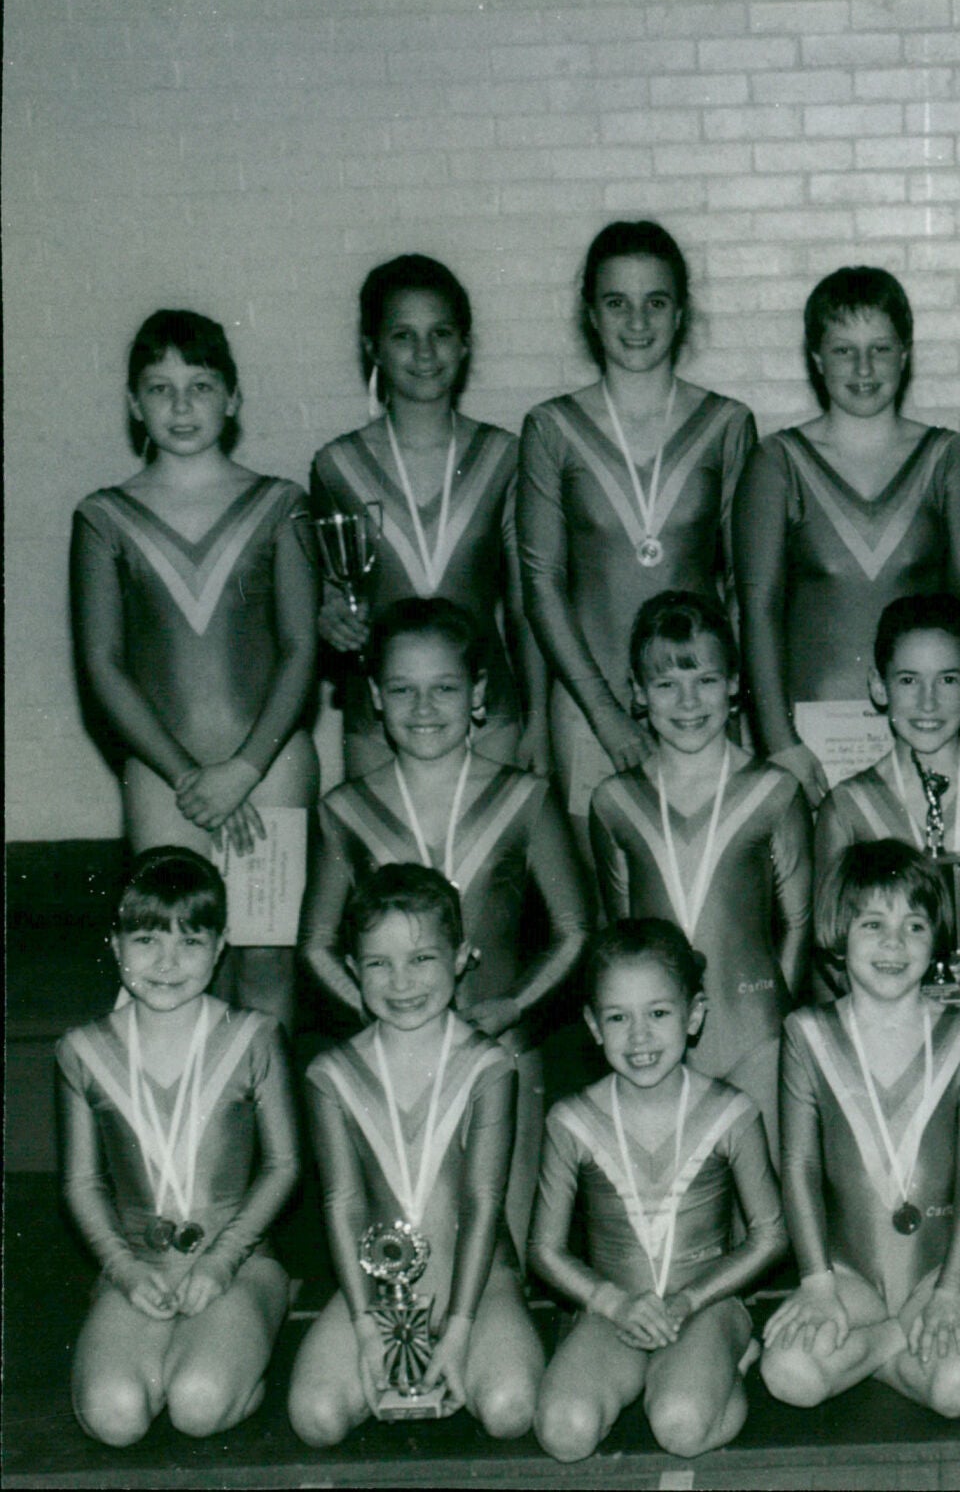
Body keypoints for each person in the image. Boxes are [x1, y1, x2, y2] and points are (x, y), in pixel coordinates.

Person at [300, 597, 590, 1252]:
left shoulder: (525, 798)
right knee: (402, 1254)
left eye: (444, 690)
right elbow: (316, 947)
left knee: (501, 1250)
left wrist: (510, 1008)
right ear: (375, 696)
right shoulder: (345, 810)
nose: (424, 709)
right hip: (390, 1062)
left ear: (478, 694)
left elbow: (575, 931)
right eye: (403, 690)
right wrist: (384, 1017)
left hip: (502, 1049)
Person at [71, 310, 319, 1026]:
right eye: (160, 388)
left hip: (267, 761)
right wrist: (185, 775)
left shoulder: (280, 504)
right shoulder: (104, 516)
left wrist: (242, 768)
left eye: (201, 385)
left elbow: (302, 649)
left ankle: (267, 1133)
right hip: (162, 772)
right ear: (132, 403)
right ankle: (188, 1132)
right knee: (176, 956)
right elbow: (103, 664)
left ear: (234, 398)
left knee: (267, 957)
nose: (181, 407)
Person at [519, 220, 758, 859]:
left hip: (696, 698)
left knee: (705, 887)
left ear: (680, 312)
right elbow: (542, 583)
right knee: (606, 916)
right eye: (616, 302)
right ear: (590, 314)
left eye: (655, 301)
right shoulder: (552, 428)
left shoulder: (726, 424)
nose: (637, 320)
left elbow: (745, 580)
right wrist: (605, 715)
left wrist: (724, 696)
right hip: (588, 706)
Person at [288, 865, 543, 1445]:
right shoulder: (331, 1072)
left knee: (509, 1409)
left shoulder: (488, 1065)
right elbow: (342, 1201)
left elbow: (483, 1204)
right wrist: (364, 1325)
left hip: (478, 1287)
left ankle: (476, 1347)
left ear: (461, 957)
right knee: (316, 1420)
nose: (401, 982)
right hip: (380, 1291)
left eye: (422, 959)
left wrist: (456, 1331)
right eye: (379, 964)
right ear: (353, 970)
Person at [60, 848, 298, 1445]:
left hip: (240, 1263)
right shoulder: (81, 1050)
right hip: (138, 1266)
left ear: (220, 949)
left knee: (197, 1406)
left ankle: (243, 1340)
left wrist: (222, 1262)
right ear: (115, 944)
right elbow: (83, 1183)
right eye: (146, 940)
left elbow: (284, 1164)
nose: (167, 962)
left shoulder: (254, 1036)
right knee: (114, 1418)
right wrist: (123, 1269)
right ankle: (161, 1352)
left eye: (190, 942)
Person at [735, 267, 960, 805]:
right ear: (815, 358)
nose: (862, 368)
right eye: (843, 350)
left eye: (880, 349)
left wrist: (957, 734)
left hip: (924, 726)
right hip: (810, 739)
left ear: (906, 353)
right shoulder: (777, 462)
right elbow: (757, 609)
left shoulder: (950, 460)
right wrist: (779, 741)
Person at [760, 841, 960, 1420]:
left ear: (935, 939)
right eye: (873, 923)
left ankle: (884, 1343)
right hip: (846, 1273)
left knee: (959, 1389)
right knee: (788, 1375)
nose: (894, 943)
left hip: (935, 1272)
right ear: (839, 934)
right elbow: (799, 1167)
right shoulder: (807, 1032)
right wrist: (816, 1282)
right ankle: (896, 1342)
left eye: (914, 925)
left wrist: (951, 1291)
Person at [532, 919, 787, 1461]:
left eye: (659, 1013)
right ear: (593, 1026)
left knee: (681, 1426)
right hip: (616, 1310)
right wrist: (611, 1303)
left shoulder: (731, 1112)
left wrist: (691, 1299)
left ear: (694, 1016)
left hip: (706, 1302)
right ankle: (647, 1369)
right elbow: (545, 1250)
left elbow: (769, 1236)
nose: (640, 1037)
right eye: (618, 1018)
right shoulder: (571, 1120)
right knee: (564, 1433)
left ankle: (729, 1357)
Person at [589, 591, 812, 1159]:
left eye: (706, 681)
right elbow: (621, 934)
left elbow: (798, 922)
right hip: (655, 1043)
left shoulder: (775, 792)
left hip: (755, 1032)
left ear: (735, 683)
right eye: (665, 685)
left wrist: (776, 1021)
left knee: (765, 1200)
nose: (688, 701)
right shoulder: (615, 801)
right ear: (638, 695)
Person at [311, 254, 543, 778]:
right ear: (372, 346)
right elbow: (327, 592)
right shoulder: (336, 467)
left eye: (440, 333)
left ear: (464, 343)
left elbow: (529, 604)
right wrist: (329, 617)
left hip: (490, 710)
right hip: (380, 717)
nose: (424, 353)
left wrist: (540, 720)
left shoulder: (505, 456)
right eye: (402, 336)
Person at [814, 593, 960, 1027]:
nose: (927, 702)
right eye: (908, 680)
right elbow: (828, 942)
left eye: (947, 680)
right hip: (879, 1032)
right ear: (878, 686)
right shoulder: (846, 807)